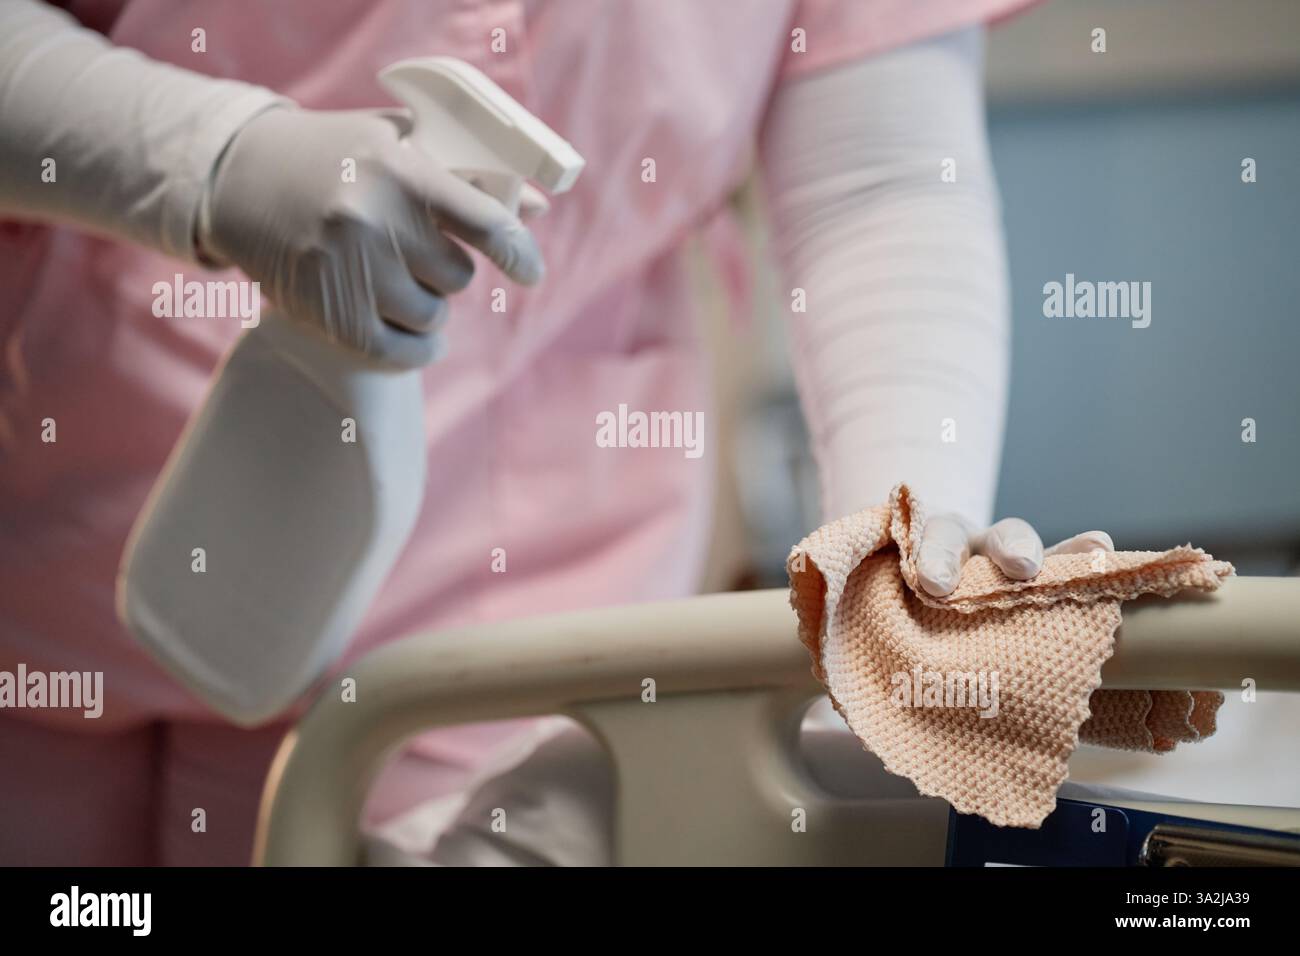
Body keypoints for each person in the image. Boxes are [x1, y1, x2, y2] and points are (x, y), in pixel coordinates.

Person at [0, 0, 1107, 865]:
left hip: (517, 606)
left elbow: (880, 178)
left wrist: (909, 524)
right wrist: (215, 159)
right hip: (51, 564)